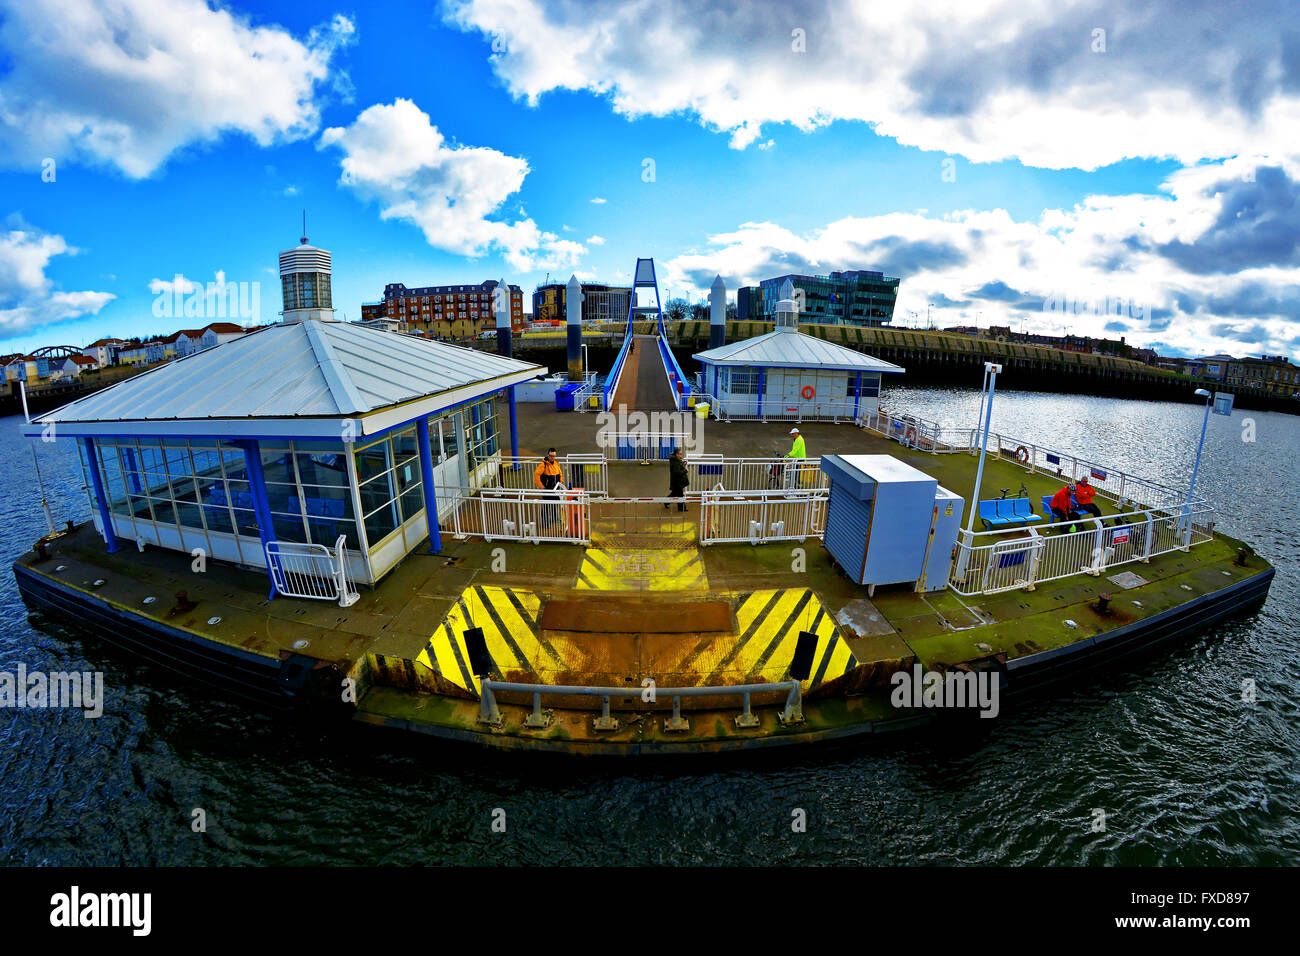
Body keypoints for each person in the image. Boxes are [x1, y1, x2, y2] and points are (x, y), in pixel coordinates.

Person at [534, 448, 565, 526]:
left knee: (555, 504)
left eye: (554, 456)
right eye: (551, 456)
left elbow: (560, 473)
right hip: (547, 489)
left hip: (556, 488)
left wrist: (561, 481)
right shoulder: (543, 464)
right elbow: (536, 475)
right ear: (548, 455)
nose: (552, 458)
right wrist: (541, 486)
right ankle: (545, 522)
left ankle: (554, 518)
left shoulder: (556, 463)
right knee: (546, 505)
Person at [665, 447, 688, 512]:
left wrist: (683, 464)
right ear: (676, 454)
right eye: (680, 454)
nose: (681, 455)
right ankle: (681, 508)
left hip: (677, 481)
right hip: (678, 481)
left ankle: (666, 502)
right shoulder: (675, 461)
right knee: (680, 495)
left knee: (674, 493)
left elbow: (678, 467)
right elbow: (677, 472)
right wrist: (685, 471)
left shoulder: (676, 459)